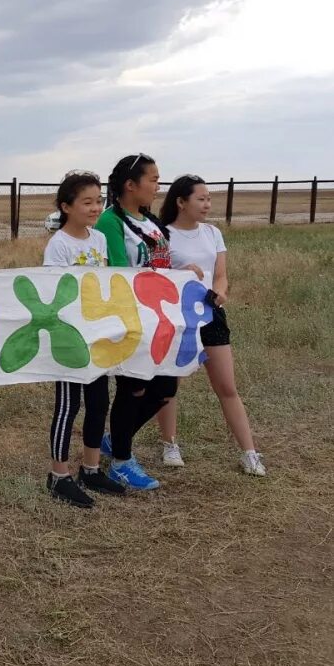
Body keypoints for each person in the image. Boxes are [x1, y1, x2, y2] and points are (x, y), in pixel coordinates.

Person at [94, 153, 202, 490]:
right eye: (153, 179)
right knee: (133, 387)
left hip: (160, 318)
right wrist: (166, 276)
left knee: (165, 387)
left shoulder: (149, 220)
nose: (158, 186)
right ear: (130, 185)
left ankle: (116, 440)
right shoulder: (110, 223)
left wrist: (179, 275)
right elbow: (117, 272)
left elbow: (161, 261)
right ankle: (122, 463)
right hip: (131, 318)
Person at [154, 175, 266, 476]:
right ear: (181, 202)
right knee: (171, 383)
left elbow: (221, 273)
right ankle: (170, 444)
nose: (207, 204)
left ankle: (250, 452)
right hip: (177, 316)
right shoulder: (162, 234)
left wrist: (221, 291)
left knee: (227, 386)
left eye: (209, 199)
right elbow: (155, 275)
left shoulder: (213, 233)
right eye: (200, 198)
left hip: (211, 312)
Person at [42, 171, 127, 507]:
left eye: (99, 201)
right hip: (69, 338)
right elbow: (54, 291)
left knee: (98, 402)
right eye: (87, 202)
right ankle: (58, 475)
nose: (95, 208)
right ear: (66, 206)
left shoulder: (99, 240)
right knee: (68, 405)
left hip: (97, 336)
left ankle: (90, 469)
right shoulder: (59, 244)